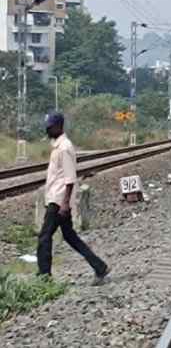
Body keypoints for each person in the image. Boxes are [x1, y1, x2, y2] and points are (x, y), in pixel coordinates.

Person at [37, 113, 110, 285]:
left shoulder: (65, 147)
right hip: (57, 199)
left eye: (51, 126)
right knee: (70, 237)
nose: (48, 129)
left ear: (59, 126)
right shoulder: (58, 146)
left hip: (59, 200)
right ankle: (100, 267)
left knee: (44, 237)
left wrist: (64, 204)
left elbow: (70, 179)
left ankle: (44, 277)